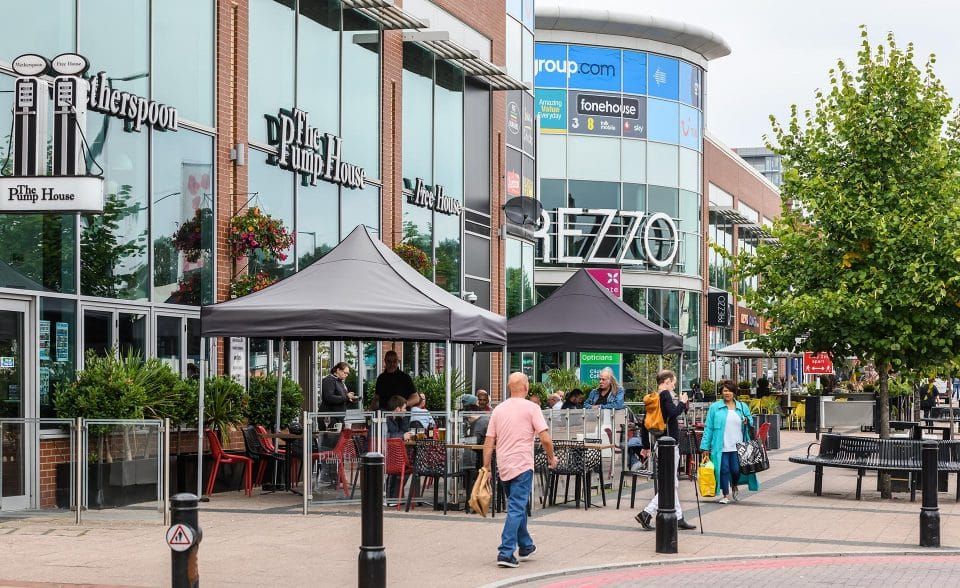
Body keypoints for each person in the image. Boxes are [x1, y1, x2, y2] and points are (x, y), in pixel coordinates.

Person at [484, 373, 557, 568]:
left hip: (504, 466)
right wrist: (551, 457)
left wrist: (485, 468)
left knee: (518, 505)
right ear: (525, 387)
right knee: (516, 507)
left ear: (510, 388)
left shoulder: (498, 410)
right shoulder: (532, 408)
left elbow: (489, 442)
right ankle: (506, 552)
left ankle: (525, 545)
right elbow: (546, 438)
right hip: (523, 465)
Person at [635, 369, 696, 531]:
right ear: (667, 381)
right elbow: (673, 413)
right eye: (673, 383)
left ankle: (679, 517)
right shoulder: (665, 395)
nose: (674, 386)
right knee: (670, 483)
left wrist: (646, 446)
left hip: (659, 443)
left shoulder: (654, 397)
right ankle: (646, 512)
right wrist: (682, 402)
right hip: (669, 445)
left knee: (672, 482)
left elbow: (644, 424)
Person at [700, 379, 760, 504]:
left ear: (734, 392)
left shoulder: (742, 407)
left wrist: (746, 421)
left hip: (738, 446)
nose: (727, 393)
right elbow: (708, 428)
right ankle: (725, 495)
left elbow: (750, 422)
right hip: (720, 446)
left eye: (730, 391)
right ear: (722, 392)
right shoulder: (715, 408)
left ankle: (734, 485)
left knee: (736, 470)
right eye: (725, 391)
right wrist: (705, 447)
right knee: (723, 469)